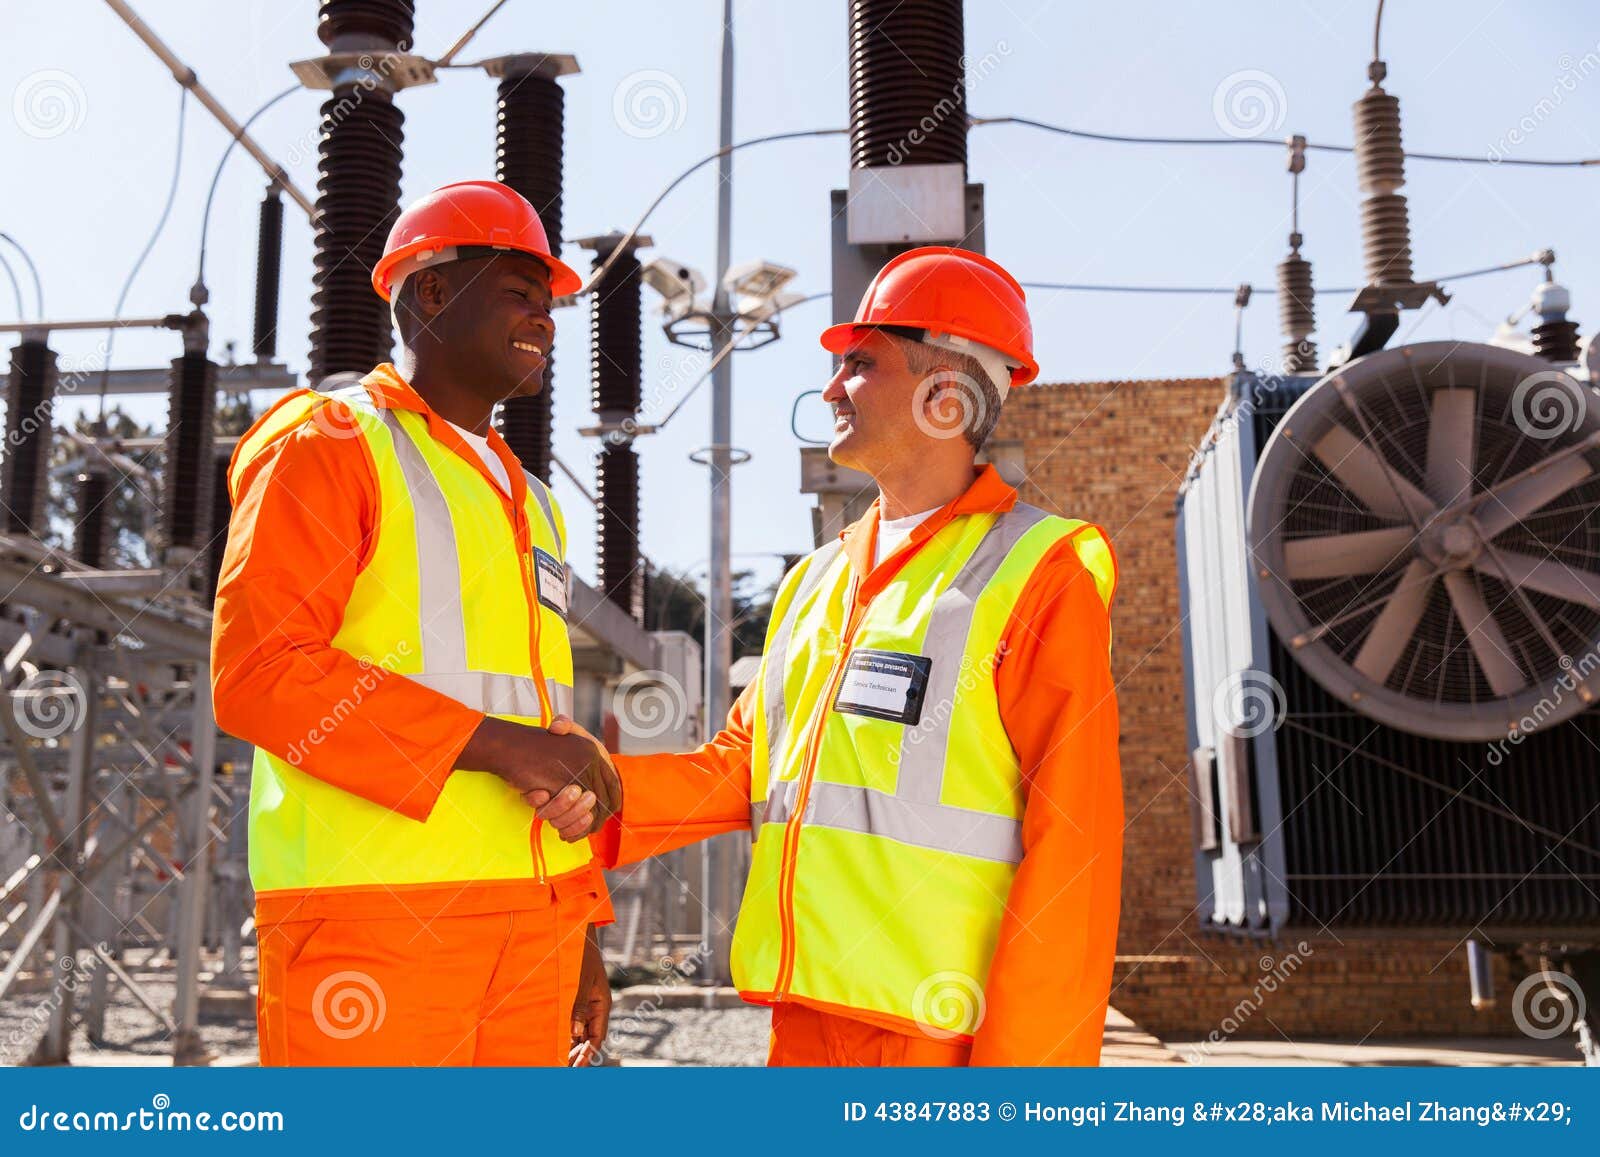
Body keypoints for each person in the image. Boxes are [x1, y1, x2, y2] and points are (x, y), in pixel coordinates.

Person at [559, 246, 1123, 1066]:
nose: (829, 389)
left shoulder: (1041, 571)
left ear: (946, 394)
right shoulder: (820, 578)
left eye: (859, 364)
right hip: (804, 1029)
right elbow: (746, 767)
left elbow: (1075, 852)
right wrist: (591, 794)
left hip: (939, 1046)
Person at [211, 180, 620, 1066]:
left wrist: (581, 924)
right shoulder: (330, 442)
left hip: (529, 928)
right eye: (521, 294)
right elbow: (262, 674)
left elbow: (536, 718)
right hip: (377, 923)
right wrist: (501, 746)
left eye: (549, 304)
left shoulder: (531, 502)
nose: (544, 320)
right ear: (432, 292)